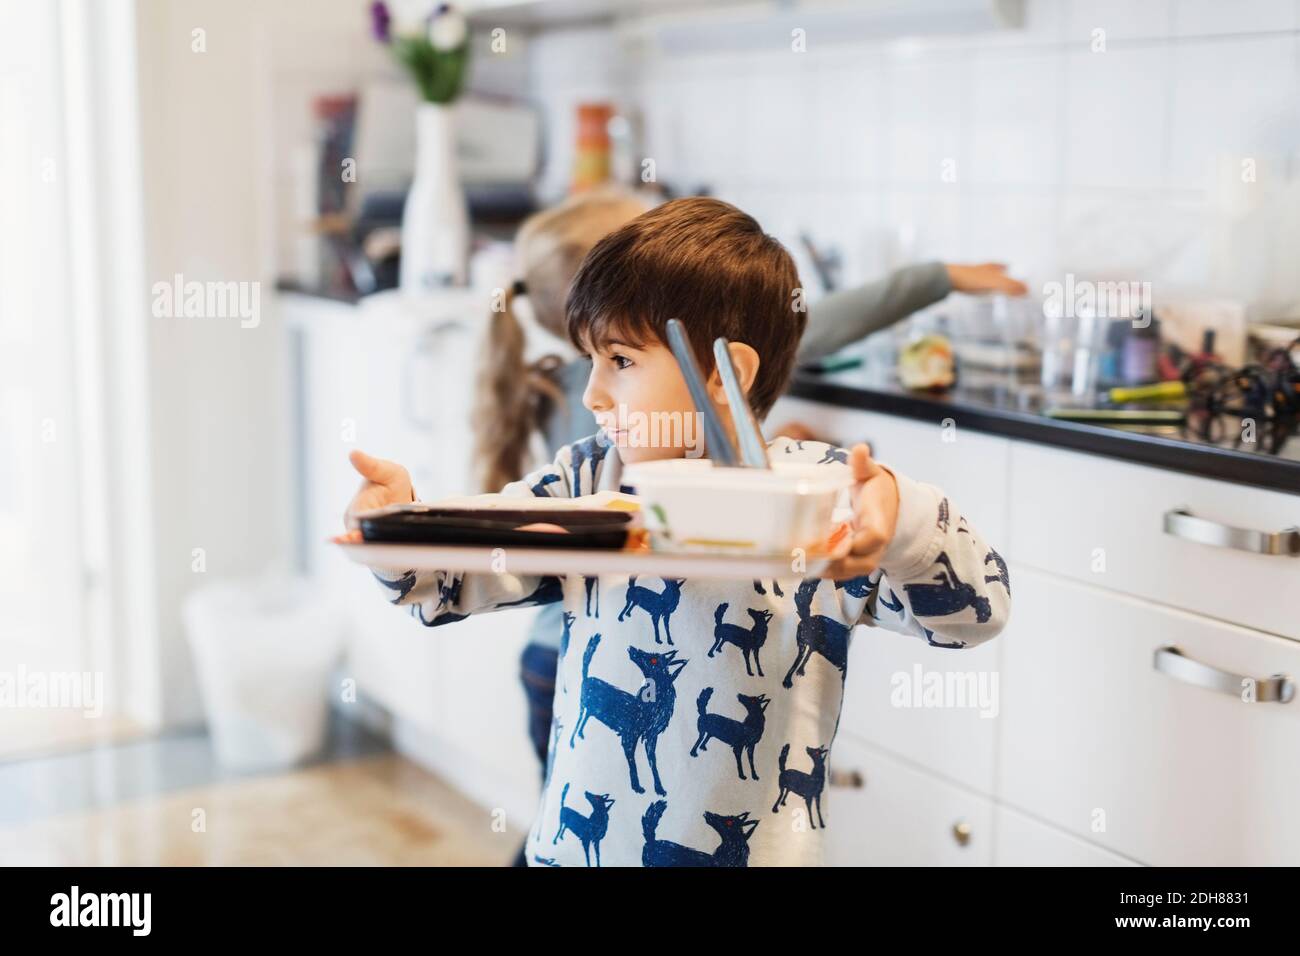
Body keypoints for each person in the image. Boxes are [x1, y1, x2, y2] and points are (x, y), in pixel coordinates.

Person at [346, 197, 1010, 866]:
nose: (592, 395)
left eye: (621, 361)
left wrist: (901, 514)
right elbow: (451, 582)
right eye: (591, 361)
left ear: (727, 375)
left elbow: (975, 616)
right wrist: (395, 524)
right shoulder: (589, 478)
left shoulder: (820, 500)